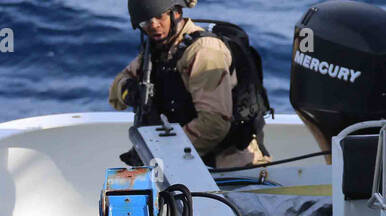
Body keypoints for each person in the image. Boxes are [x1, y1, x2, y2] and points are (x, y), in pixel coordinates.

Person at [110, 0, 269, 171]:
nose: (154, 25)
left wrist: (162, 152)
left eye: (160, 16)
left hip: (230, 166)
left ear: (176, 12)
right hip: (187, 160)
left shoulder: (204, 52)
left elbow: (214, 124)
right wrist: (130, 92)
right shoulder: (160, 50)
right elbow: (115, 94)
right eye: (145, 21)